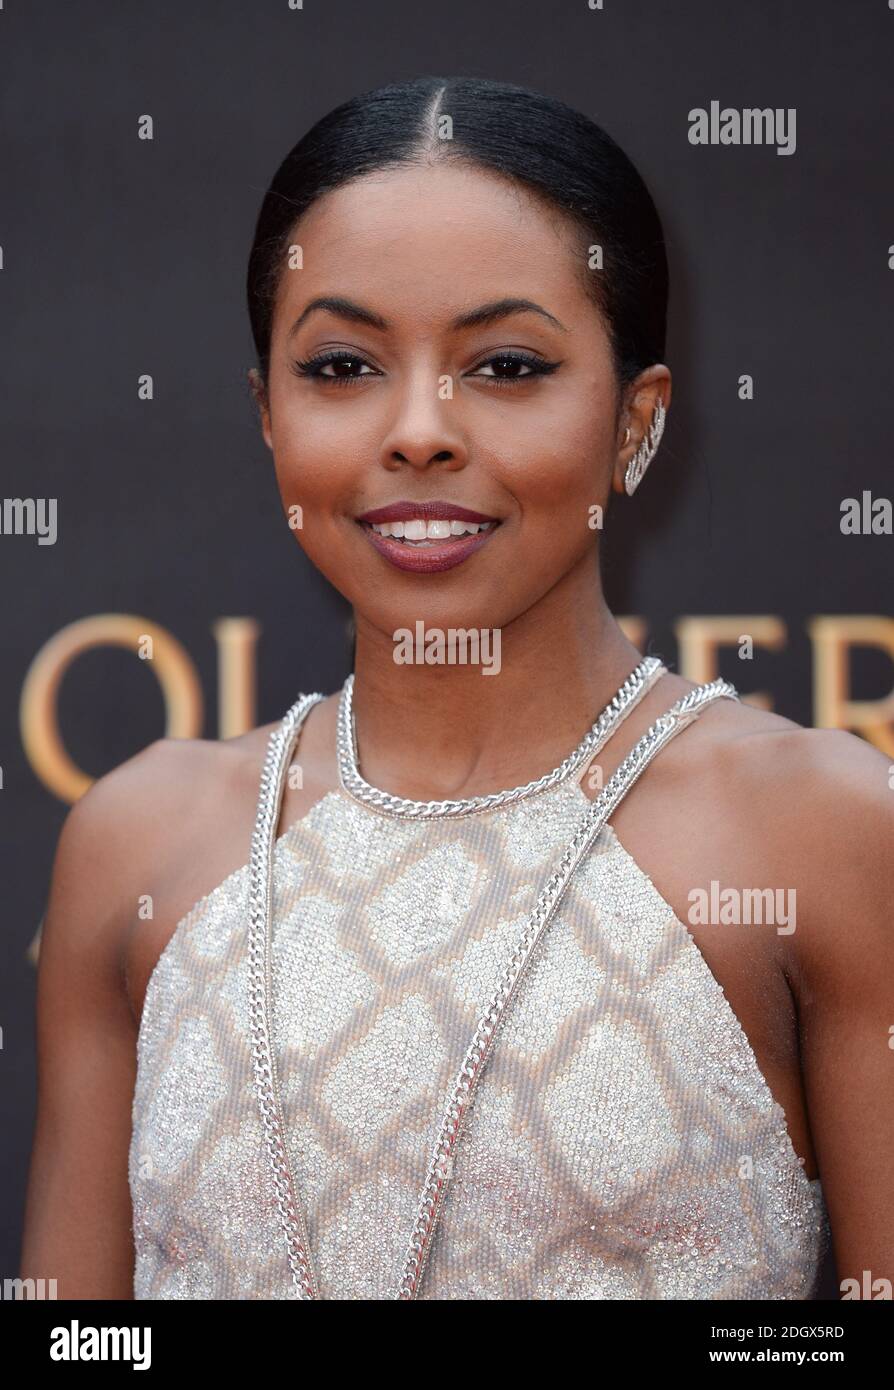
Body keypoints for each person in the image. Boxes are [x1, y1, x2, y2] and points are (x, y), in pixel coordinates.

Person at [20, 75, 893, 1300]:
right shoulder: (139, 841)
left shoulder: (826, 834)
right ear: (266, 413)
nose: (420, 430)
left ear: (636, 424)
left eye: (506, 364)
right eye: (339, 364)